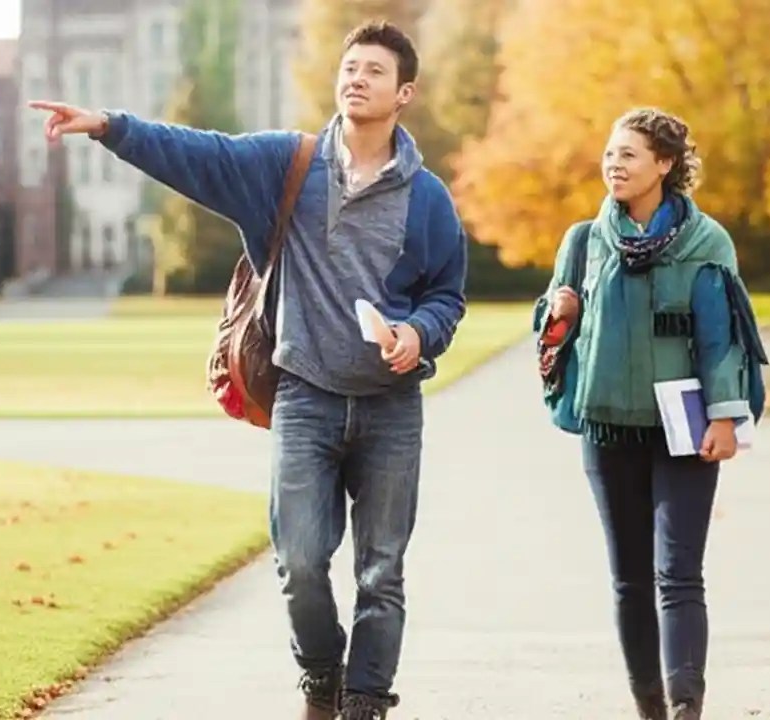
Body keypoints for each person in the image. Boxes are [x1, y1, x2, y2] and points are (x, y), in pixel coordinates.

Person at [30, 21, 466, 720]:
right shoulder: (286, 166)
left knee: (381, 571)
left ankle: (365, 698)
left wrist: (418, 333)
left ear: (403, 93)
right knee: (299, 562)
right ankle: (321, 674)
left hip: (390, 409)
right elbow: (197, 154)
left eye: (374, 71)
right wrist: (111, 127)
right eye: (349, 67)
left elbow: (446, 295)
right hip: (305, 398)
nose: (356, 78)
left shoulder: (427, 199)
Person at [534, 108, 767, 720]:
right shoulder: (583, 241)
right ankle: (650, 707)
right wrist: (557, 312)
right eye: (610, 153)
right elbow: (552, 336)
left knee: (679, 572)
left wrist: (725, 417)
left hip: (684, 428)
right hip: (607, 428)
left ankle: (686, 703)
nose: (614, 164)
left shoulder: (706, 242)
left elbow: (722, 339)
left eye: (629, 154)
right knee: (630, 578)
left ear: (664, 164)